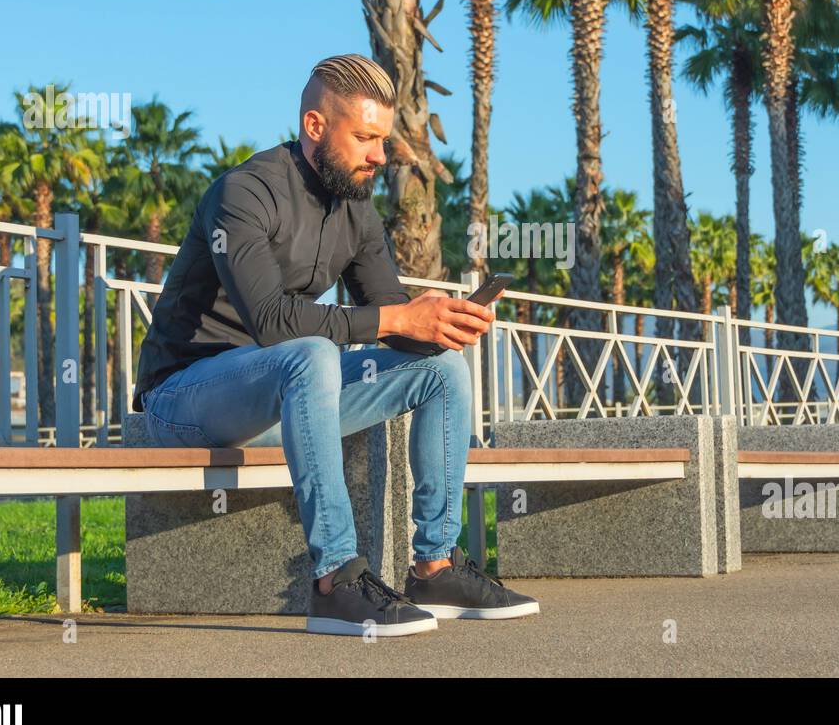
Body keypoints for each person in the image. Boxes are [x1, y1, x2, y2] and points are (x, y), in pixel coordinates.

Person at [132, 53, 537, 636]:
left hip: (293, 398)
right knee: (310, 352)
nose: (379, 155)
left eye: (383, 140)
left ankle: (435, 566)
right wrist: (398, 318)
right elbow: (273, 322)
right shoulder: (243, 193)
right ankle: (335, 581)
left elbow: (390, 321)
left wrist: (442, 324)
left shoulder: (357, 207)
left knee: (442, 370)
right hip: (187, 400)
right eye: (366, 138)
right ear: (315, 126)